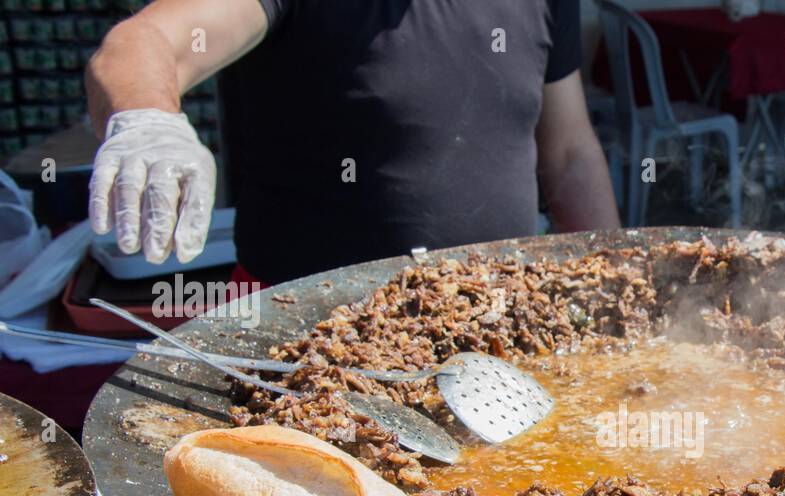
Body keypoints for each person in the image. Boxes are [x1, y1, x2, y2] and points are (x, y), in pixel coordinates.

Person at [85, 0, 620, 285]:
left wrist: (615, 279)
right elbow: (144, 41)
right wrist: (146, 118)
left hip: (495, 325)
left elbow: (569, 151)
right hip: (302, 338)